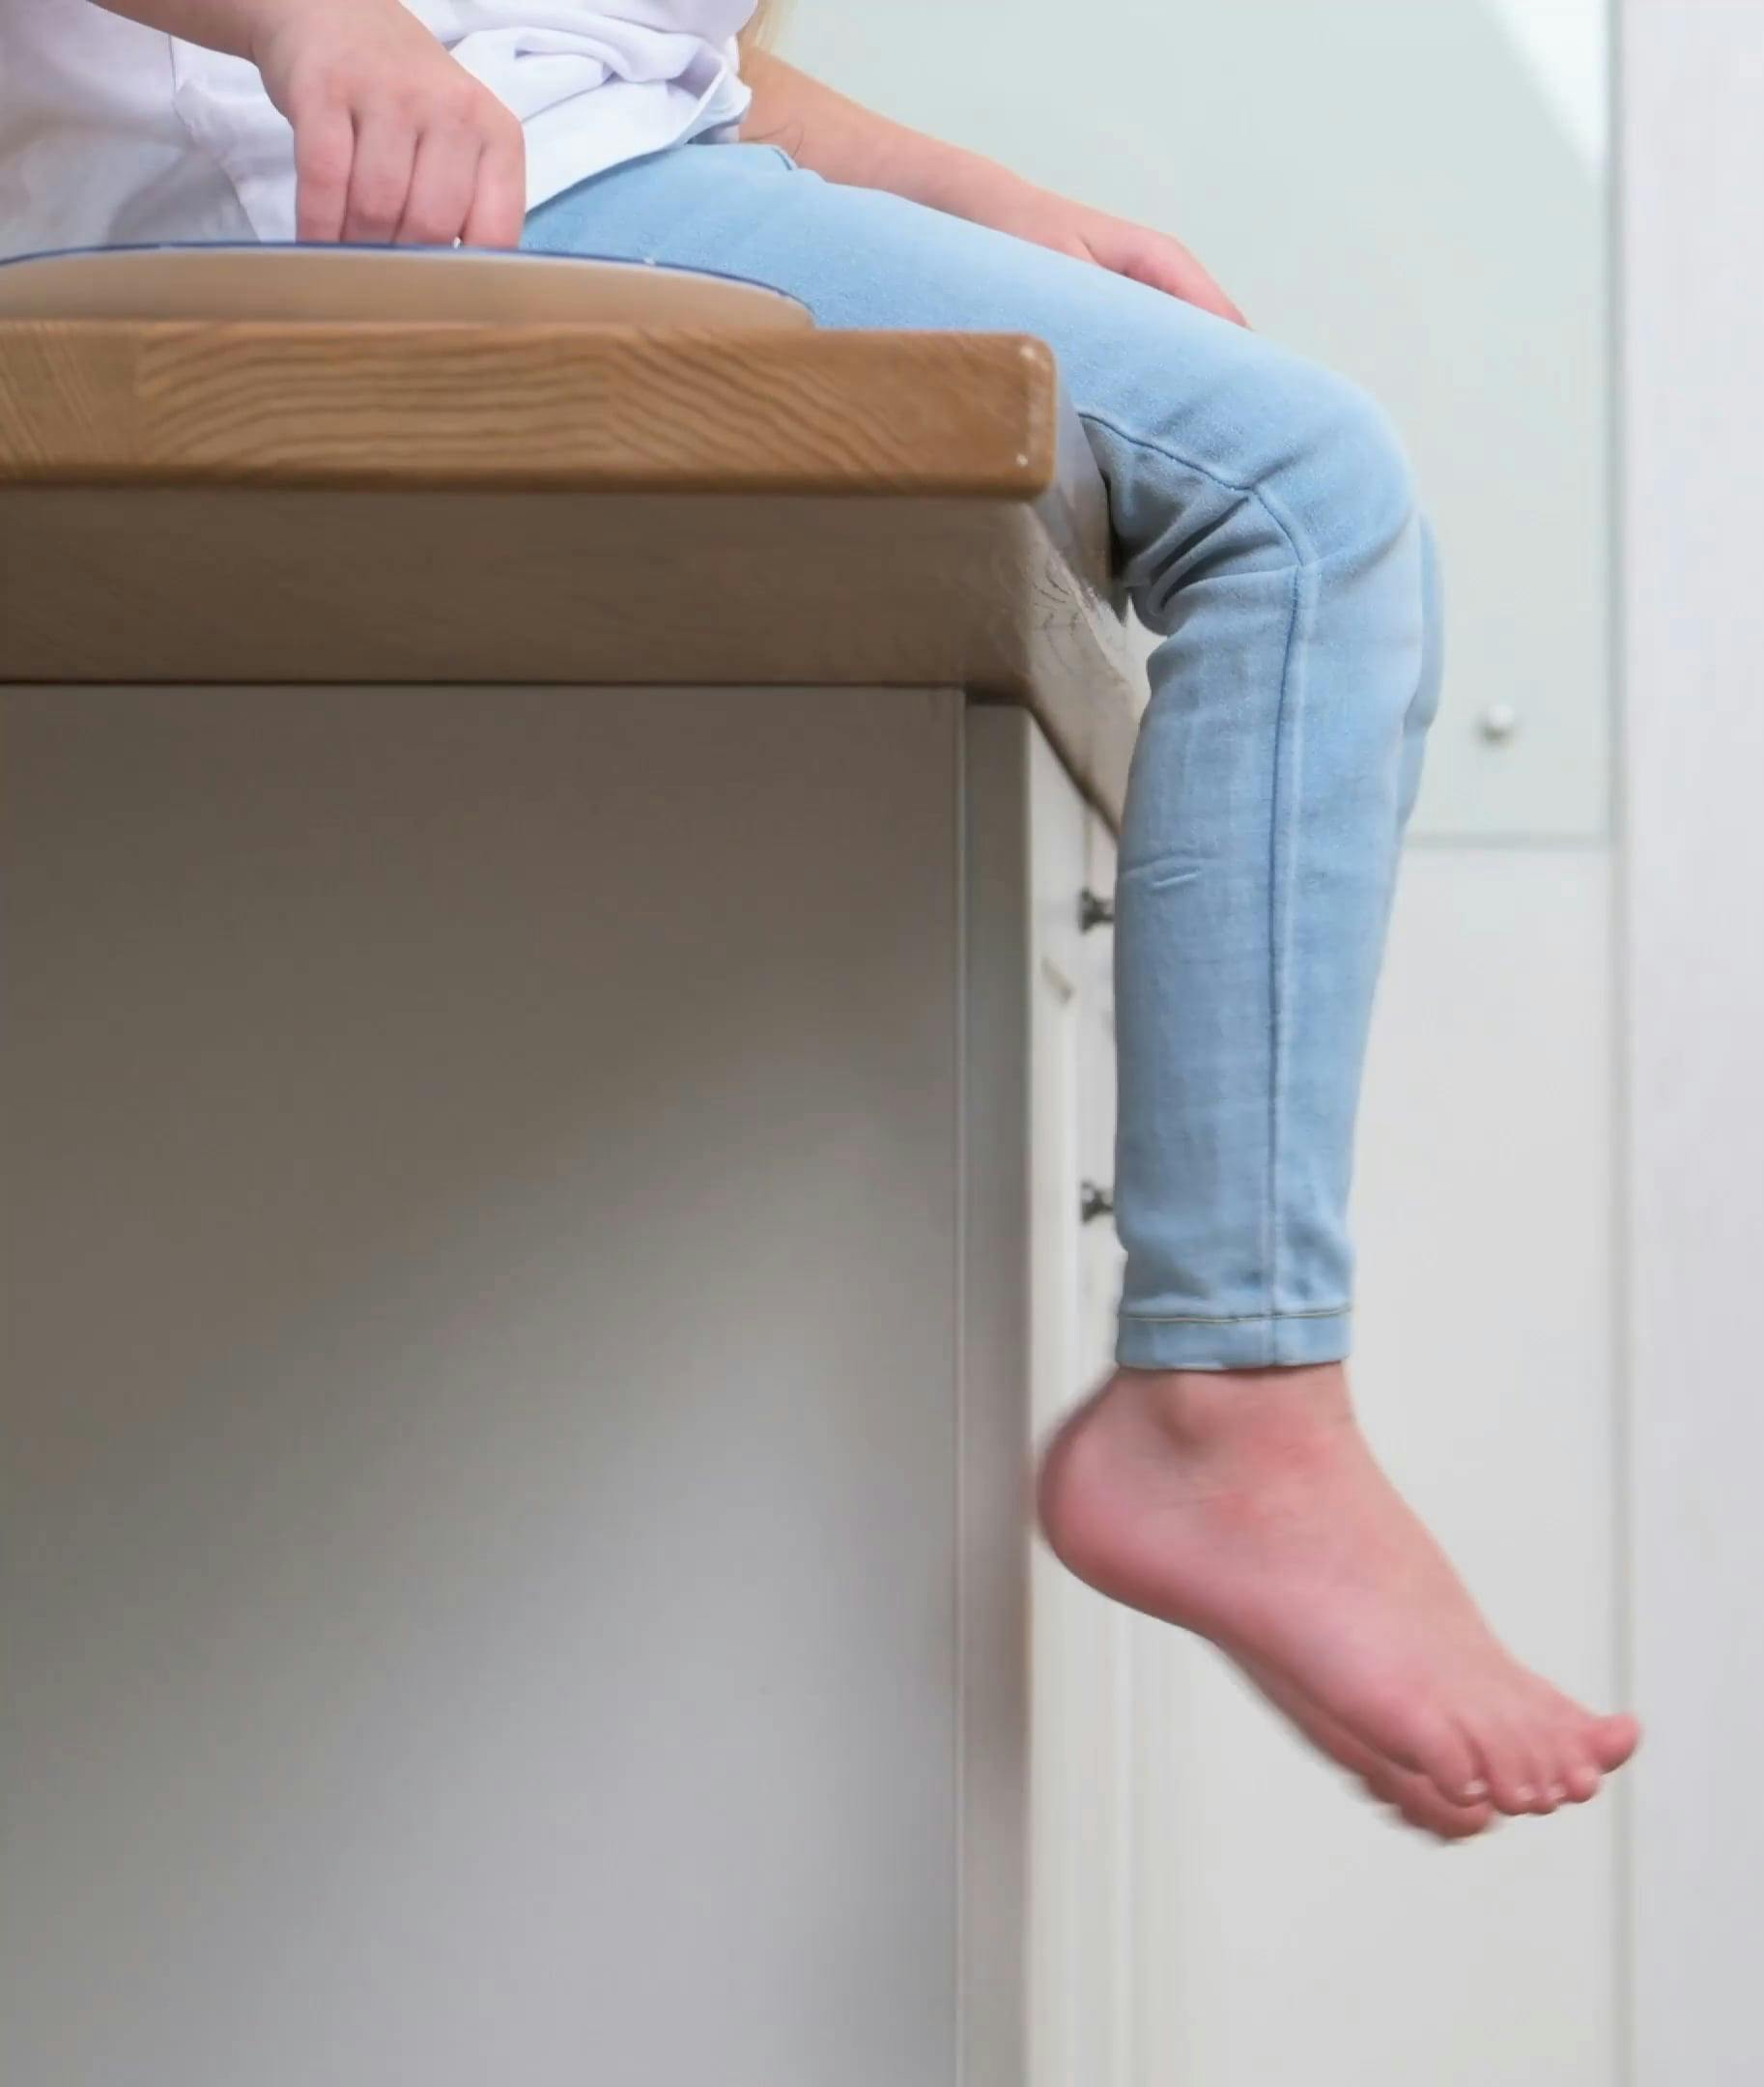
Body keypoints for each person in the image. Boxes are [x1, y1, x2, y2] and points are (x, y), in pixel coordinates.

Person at [0, 0, 1637, 1841]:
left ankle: (1236, 1401)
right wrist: (313, 20)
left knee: (1290, 488)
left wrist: (969, 194)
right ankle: (1236, 1403)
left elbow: (610, 54)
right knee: (1304, 501)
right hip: (280, 189)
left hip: (491, 169)